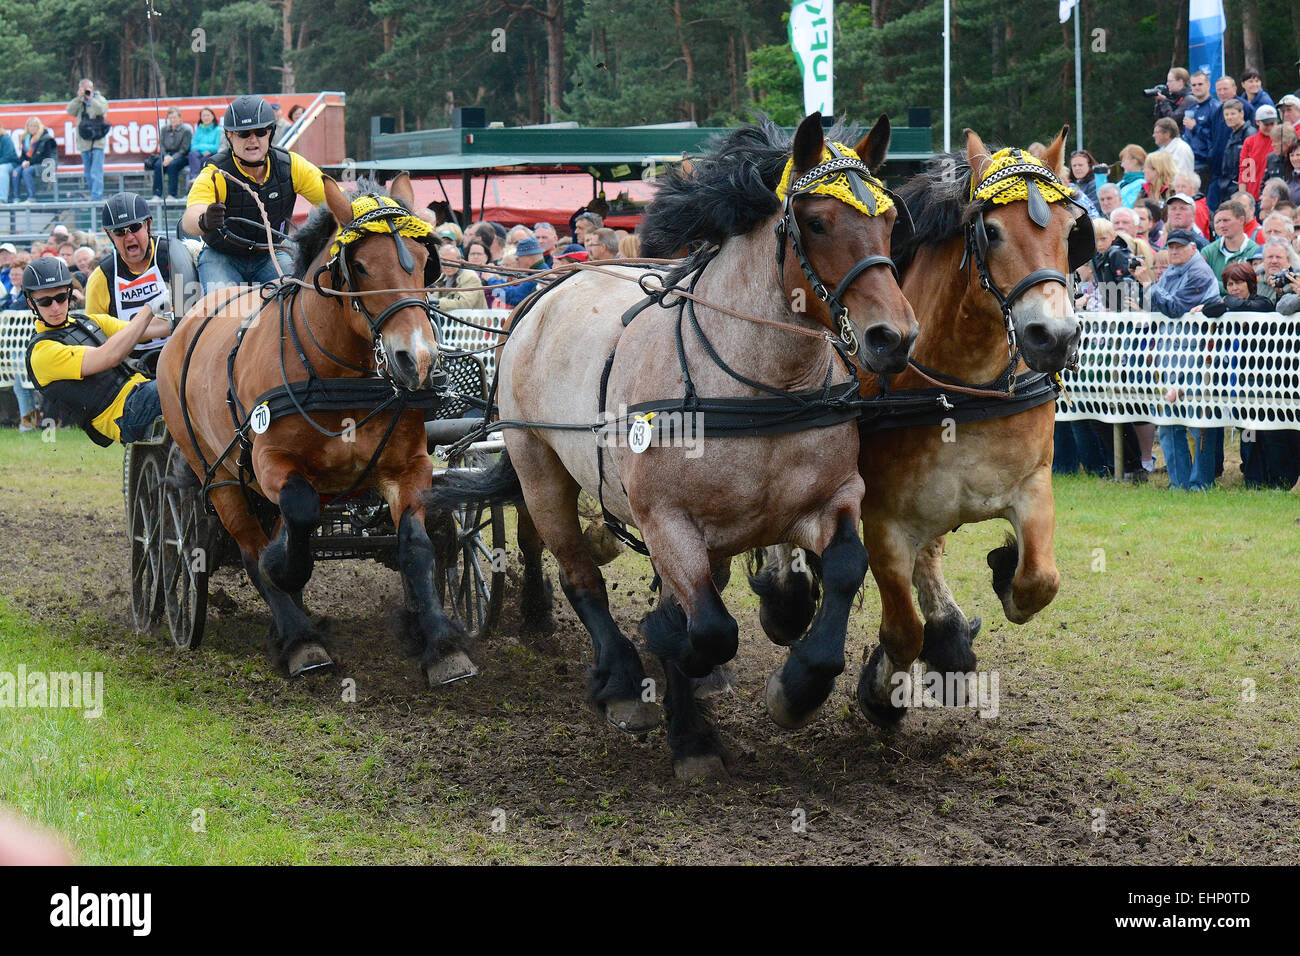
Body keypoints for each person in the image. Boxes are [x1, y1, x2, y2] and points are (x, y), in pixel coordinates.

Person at [22, 257, 172, 446]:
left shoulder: (88, 321)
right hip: (125, 415)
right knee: (182, 382)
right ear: (31, 303)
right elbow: (110, 357)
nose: (55, 307)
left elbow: (152, 329)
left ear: (69, 293)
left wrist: (188, 313)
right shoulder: (42, 353)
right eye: (45, 301)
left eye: (61, 298)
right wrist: (149, 307)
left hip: (142, 392)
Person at [183, 95, 326, 290]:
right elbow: (189, 221)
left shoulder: (291, 166)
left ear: (270, 133)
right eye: (243, 134)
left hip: (272, 254)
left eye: (260, 132)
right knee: (224, 313)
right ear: (229, 136)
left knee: (300, 296)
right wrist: (204, 220)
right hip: (221, 257)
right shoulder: (215, 173)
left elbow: (336, 199)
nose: (252, 140)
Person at [85, 192, 178, 368]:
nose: (129, 237)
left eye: (135, 227)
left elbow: (191, 315)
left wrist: (128, 330)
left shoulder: (174, 256)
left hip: (179, 360)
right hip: (130, 367)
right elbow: (96, 335)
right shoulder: (101, 277)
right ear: (109, 235)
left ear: (148, 224)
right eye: (119, 232)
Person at [1201, 200, 1260, 293]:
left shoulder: (1255, 252)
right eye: (1218, 221)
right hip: (1213, 304)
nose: (1221, 225)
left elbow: (1253, 287)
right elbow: (1201, 282)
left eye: (1226, 220)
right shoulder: (1208, 251)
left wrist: (1215, 285)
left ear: (1241, 220)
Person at [66, 79, 109, 202]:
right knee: (88, 173)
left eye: (87, 88)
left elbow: (101, 110)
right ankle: (93, 195)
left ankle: (96, 198)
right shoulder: (79, 102)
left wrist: (91, 99)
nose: (85, 91)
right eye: (83, 89)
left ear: (92, 88)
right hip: (84, 142)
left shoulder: (99, 99)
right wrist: (79, 98)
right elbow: (70, 111)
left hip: (97, 141)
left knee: (96, 171)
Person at [1183, 71, 1221, 192]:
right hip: (1190, 163)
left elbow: (1216, 139)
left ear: (1208, 85)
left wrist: (1196, 127)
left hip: (1206, 165)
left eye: (1200, 84)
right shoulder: (1191, 108)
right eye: (1194, 85)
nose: (1197, 87)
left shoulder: (1215, 108)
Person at [1214, 99, 1255, 204]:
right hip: (1227, 187)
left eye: (1233, 114)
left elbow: (1251, 167)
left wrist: (1243, 192)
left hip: (1240, 189)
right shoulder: (1232, 134)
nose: (1229, 117)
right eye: (1226, 114)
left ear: (1242, 114)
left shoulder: (1249, 134)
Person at [429, 244, 487, 311]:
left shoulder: (470, 277)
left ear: (459, 261)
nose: (448, 264)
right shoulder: (442, 277)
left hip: (472, 321)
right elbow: (434, 297)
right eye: (444, 261)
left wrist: (437, 302)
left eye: (451, 260)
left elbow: (463, 304)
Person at [11, 117, 56, 202]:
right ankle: (16, 197)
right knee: (15, 171)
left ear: (39, 127)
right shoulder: (26, 139)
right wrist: (23, 162)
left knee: (26, 171)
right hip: (31, 163)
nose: (32, 128)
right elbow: (24, 156)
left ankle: (31, 197)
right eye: (30, 126)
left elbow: (45, 157)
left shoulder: (46, 139)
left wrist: (29, 163)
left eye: (35, 126)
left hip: (45, 164)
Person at [494, 236, 547, 307]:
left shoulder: (539, 276)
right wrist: (499, 280)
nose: (517, 262)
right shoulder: (540, 272)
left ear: (528, 257)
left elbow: (514, 297)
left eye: (518, 258)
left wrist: (492, 280)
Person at [1239, 104, 1277, 200]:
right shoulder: (1249, 141)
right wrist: (1243, 196)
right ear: (1257, 122)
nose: (1269, 127)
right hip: (1253, 195)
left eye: (1272, 123)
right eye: (1266, 124)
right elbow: (1243, 170)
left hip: (1274, 195)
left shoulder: (1281, 140)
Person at [153, 107, 192, 199]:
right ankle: (157, 194)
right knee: (158, 165)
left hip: (181, 156)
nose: (172, 120)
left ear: (180, 118)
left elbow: (185, 148)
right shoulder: (163, 129)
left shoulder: (186, 130)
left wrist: (172, 158)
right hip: (166, 155)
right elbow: (161, 146)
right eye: (170, 118)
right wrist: (166, 156)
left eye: (174, 117)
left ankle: (172, 194)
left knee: (172, 166)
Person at [1173, 171, 1212, 237]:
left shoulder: (1197, 208)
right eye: (1177, 186)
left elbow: (1198, 234)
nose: (1179, 190)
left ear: (1194, 189)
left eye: (1183, 187)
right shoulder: (1177, 204)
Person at [188, 108, 221, 178]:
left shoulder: (218, 130)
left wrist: (201, 147)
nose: (206, 118)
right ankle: (194, 178)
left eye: (208, 115)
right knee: (192, 154)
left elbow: (216, 147)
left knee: (204, 161)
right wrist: (204, 151)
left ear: (213, 116)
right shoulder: (199, 129)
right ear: (201, 118)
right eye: (203, 116)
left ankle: (201, 181)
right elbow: (193, 147)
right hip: (201, 153)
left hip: (211, 154)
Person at [0, 125, 17, 203]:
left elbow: (8, 157)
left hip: (11, 164)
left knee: (2, 168)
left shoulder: (5, 139)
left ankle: (2, 199)